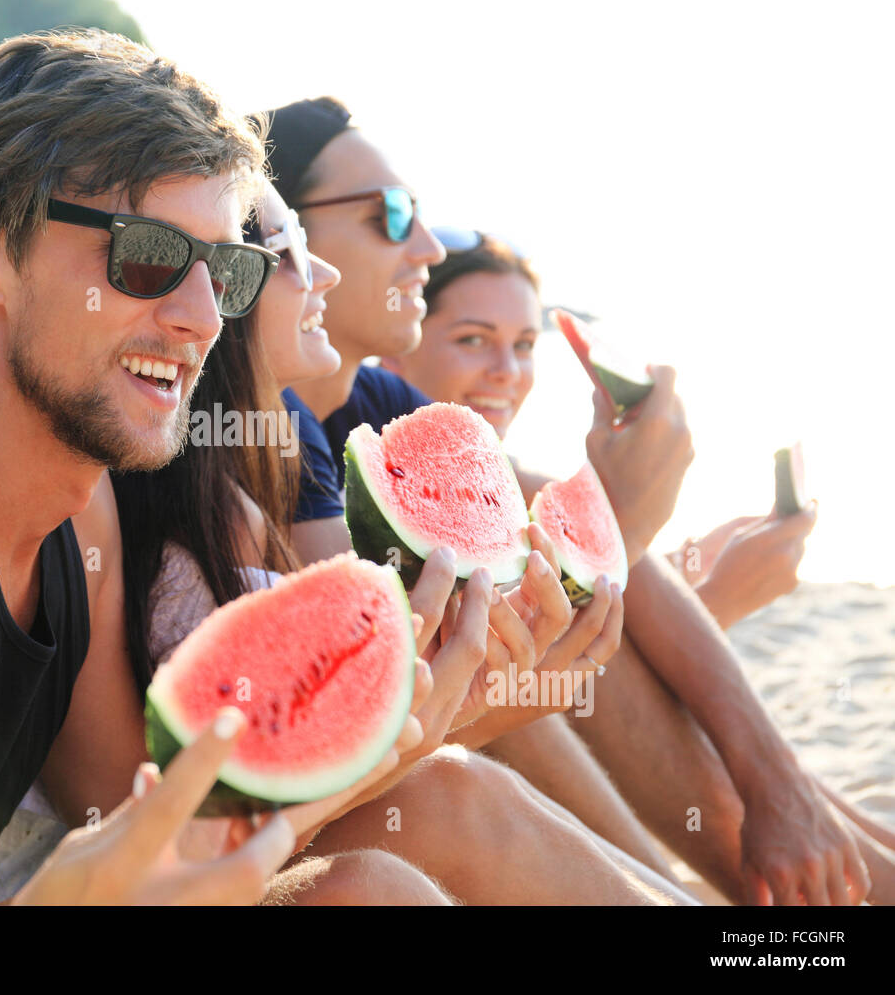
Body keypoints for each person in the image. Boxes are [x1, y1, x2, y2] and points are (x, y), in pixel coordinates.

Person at [0, 31, 459, 906]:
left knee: (371, 883)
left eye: (229, 270)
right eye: (149, 256)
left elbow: (122, 817)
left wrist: (375, 722)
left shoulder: (81, 509)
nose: (202, 318)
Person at [263, 95, 885, 904]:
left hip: (397, 765)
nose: (423, 244)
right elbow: (390, 710)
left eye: (526, 347)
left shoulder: (372, 397)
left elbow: (523, 536)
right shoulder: (268, 426)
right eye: (391, 213)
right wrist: (639, 538)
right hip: (325, 808)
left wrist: (777, 780)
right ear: (279, 232)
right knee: (510, 683)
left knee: (546, 596)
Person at [101, 179, 693, 905]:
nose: (323, 274)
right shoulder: (187, 511)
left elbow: (348, 737)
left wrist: (484, 691)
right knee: (448, 791)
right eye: (284, 253)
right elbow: (205, 818)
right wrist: (491, 694)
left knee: (453, 781)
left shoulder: (251, 481)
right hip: (184, 870)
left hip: (248, 841)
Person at [382, 231, 819, 629]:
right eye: (473, 340)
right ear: (394, 348)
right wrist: (718, 601)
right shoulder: (367, 504)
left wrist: (689, 562)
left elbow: (560, 596)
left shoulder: (507, 486)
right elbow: (526, 691)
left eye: (524, 345)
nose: (508, 371)